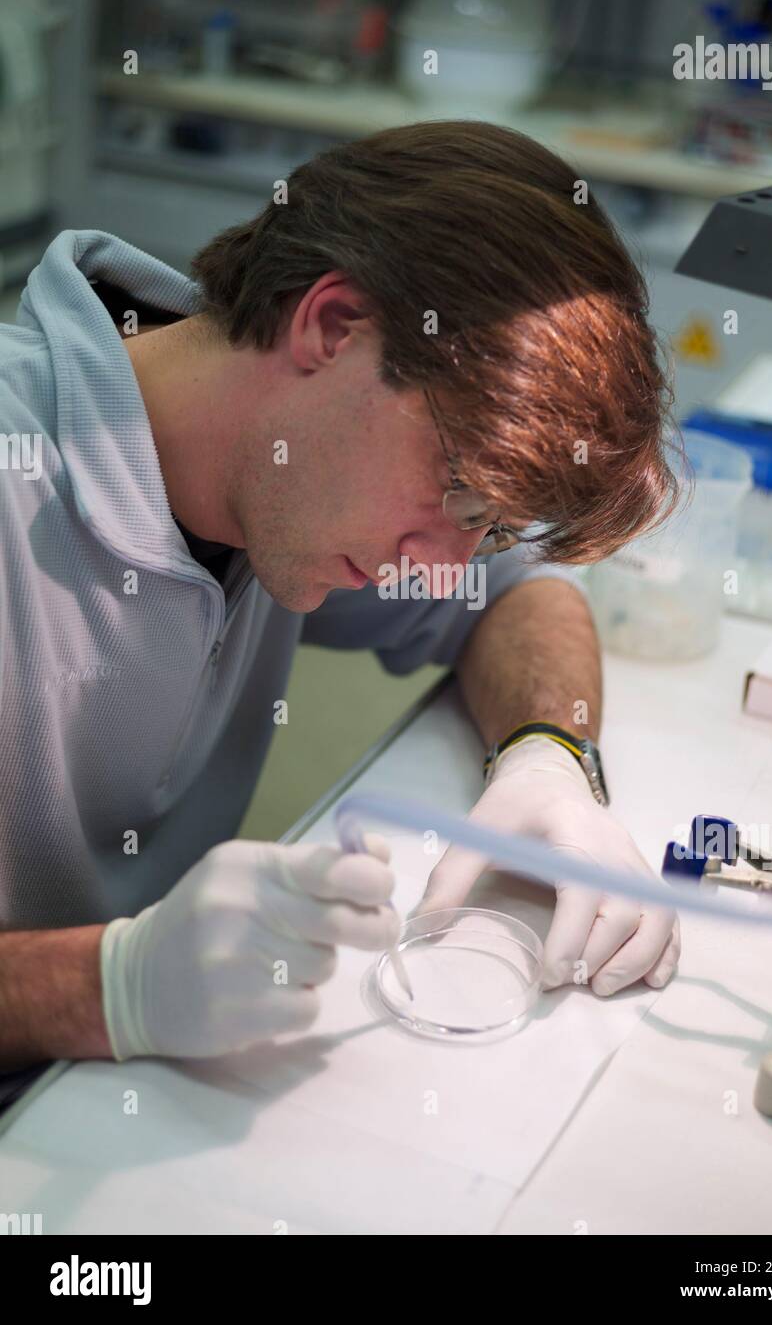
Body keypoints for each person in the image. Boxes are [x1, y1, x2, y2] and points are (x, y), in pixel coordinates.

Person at [0, 120, 680, 1073]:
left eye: (487, 520)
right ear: (330, 326)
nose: (441, 554)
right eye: (457, 488)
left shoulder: (277, 477)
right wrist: (108, 987)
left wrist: (547, 754)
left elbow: (521, 591)